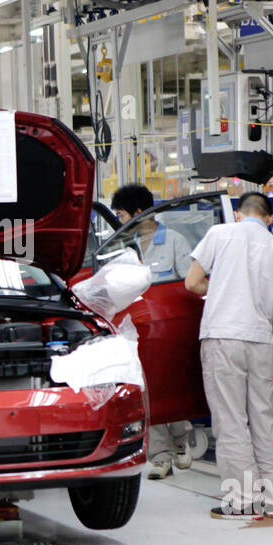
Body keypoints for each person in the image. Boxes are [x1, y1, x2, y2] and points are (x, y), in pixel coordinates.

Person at [186, 192, 273, 518]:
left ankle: (244, 498)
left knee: (231, 419)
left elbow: (193, 283)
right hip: (260, 340)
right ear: (268, 219)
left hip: (222, 336)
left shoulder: (219, 234)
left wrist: (220, 288)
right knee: (264, 416)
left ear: (238, 214)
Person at [111, 183, 195, 479]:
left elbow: (188, 282)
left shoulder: (173, 240)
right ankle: (160, 457)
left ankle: (182, 440)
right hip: (137, 329)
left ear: (138, 213)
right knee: (150, 391)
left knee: (171, 386)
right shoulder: (123, 246)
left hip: (167, 328)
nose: (119, 221)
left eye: (121, 215)